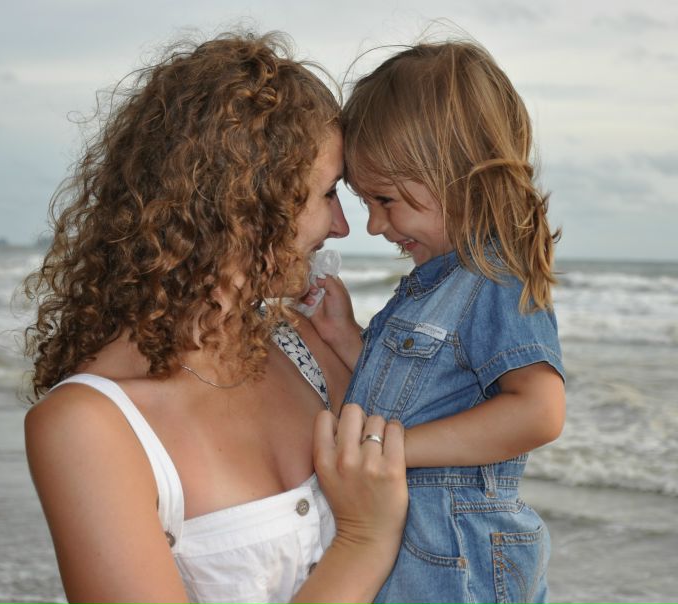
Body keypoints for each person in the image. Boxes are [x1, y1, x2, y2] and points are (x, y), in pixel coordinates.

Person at [22, 32, 408, 604]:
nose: (342, 226)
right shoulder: (89, 427)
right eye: (328, 194)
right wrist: (363, 539)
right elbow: (373, 527)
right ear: (246, 205)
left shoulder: (306, 345)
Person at [307, 40, 566, 603]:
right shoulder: (434, 285)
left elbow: (539, 412)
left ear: (461, 177)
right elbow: (418, 392)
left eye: (386, 200)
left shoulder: (495, 278)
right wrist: (346, 337)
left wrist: (390, 449)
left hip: (462, 557)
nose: (373, 225)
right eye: (365, 202)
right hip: (422, 552)